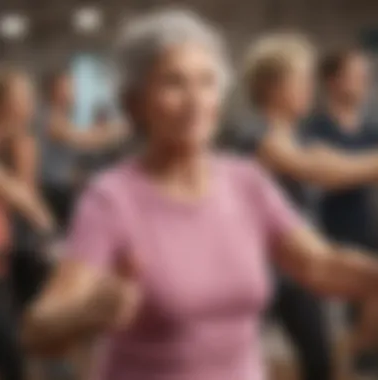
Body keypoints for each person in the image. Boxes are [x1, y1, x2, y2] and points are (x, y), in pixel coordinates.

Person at [22, 10, 378, 380]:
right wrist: (87, 314)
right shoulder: (112, 199)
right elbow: (37, 332)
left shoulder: (246, 183)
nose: (195, 101)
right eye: (174, 83)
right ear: (135, 103)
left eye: (207, 83)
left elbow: (319, 264)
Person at [241, 34, 378, 380]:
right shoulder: (263, 137)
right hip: (254, 269)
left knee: (319, 360)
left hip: (293, 268)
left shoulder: (296, 136)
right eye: (300, 80)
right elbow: (320, 170)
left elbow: (333, 162)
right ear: (273, 86)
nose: (308, 89)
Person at [307, 47, 378, 377]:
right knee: (325, 340)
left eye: (367, 75)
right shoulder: (313, 129)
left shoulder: (369, 132)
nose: (365, 82)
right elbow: (326, 176)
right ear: (332, 81)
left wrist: (349, 168)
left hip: (366, 235)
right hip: (324, 240)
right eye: (357, 75)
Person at [0, 67, 56, 380]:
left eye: (30, 97)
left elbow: (23, 194)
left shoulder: (21, 139)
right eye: (22, 96)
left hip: (14, 248)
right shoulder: (17, 141)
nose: (30, 103)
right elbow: (20, 193)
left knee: (23, 326)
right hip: (14, 245)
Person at [38, 70, 126, 229]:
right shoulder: (49, 118)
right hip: (52, 190)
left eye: (72, 87)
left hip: (61, 187)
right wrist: (120, 129)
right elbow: (84, 140)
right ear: (52, 90)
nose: (71, 92)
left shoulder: (62, 116)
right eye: (65, 87)